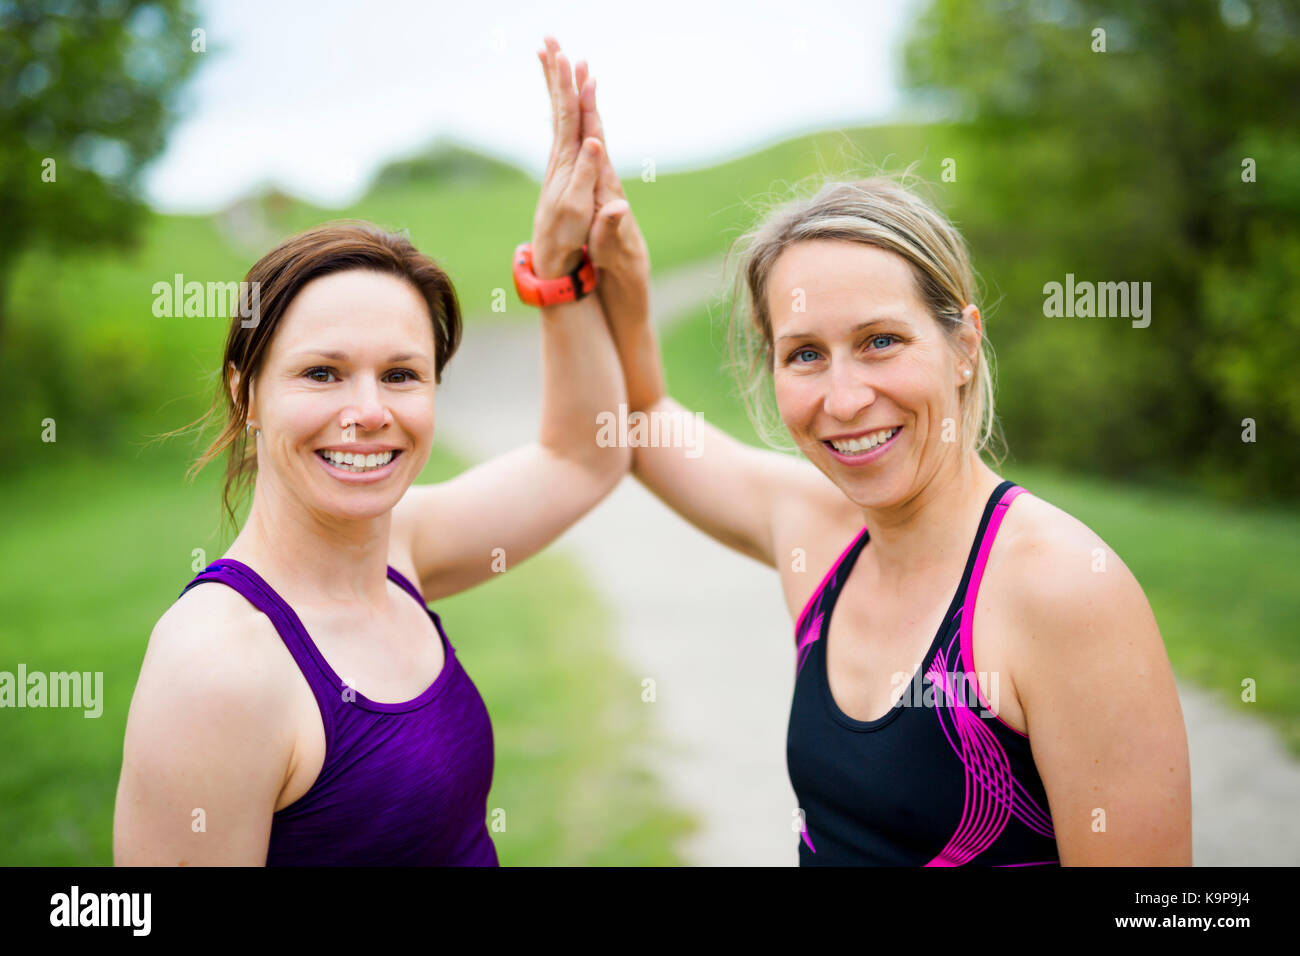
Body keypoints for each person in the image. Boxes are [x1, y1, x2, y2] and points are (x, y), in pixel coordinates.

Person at [579, 92, 1193, 864]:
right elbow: (638, 424)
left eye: (879, 341)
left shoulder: (1064, 590)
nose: (843, 399)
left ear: (963, 344)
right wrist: (609, 280)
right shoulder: (819, 535)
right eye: (805, 353)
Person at [113, 38, 627, 865]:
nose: (367, 412)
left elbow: (585, 458)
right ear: (247, 393)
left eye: (401, 374)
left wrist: (559, 267)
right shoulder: (218, 667)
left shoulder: (402, 551)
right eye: (321, 373)